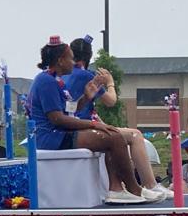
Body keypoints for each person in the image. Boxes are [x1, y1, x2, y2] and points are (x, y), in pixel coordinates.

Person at [27, 35, 164, 204]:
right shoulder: (46, 81)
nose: (73, 62)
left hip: (59, 133)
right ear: (60, 60)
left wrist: (86, 96)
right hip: (52, 138)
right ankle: (133, 189)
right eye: (70, 59)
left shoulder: (55, 80)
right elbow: (58, 119)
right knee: (113, 137)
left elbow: (70, 110)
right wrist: (94, 124)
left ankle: (118, 189)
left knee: (112, 135)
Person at [63, 36, 174, 199]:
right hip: (81, 128)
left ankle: (119, 187)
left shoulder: (63, 76)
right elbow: (111, 101)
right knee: (135, 135)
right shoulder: (86, 75)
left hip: (76, 126)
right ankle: (150, 185)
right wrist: (110, 82)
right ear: (89, 56)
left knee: (113, 136)